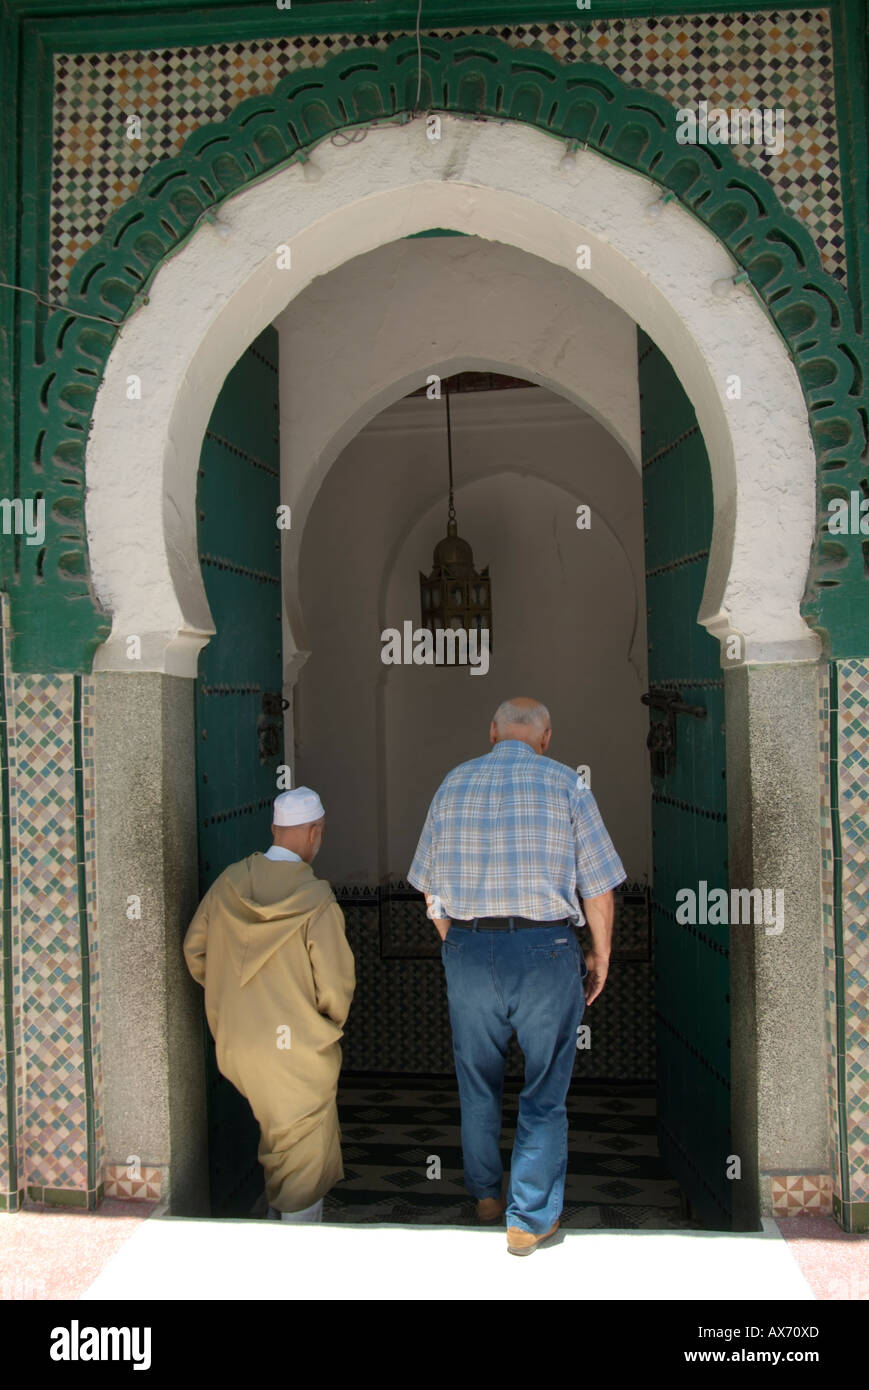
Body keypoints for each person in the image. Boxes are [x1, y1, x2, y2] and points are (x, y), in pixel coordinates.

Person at [408, 697, 625, 1255]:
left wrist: (459, 945)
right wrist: (600, 954)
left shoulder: (452, 784)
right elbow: (597, 886)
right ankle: (526, 1218)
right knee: (545, 1090)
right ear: (546, 737)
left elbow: (430, 890)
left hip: (469, 948)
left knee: (477, 1082)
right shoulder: (568, 785)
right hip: (546, 949)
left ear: (491, 732)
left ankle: (484, 1195)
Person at [183, 786, 355, 1223]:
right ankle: (293, 1267)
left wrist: (234, 1001)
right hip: (295, 1052)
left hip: (238, 1046)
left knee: (278, 1141)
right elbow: (336, 987)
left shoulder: (229, 884)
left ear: (275, 830)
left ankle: (273, 1239)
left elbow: (194, 951)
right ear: (315, 833)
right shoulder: (316, 900)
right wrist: (317, 1028)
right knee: (303, 1159)